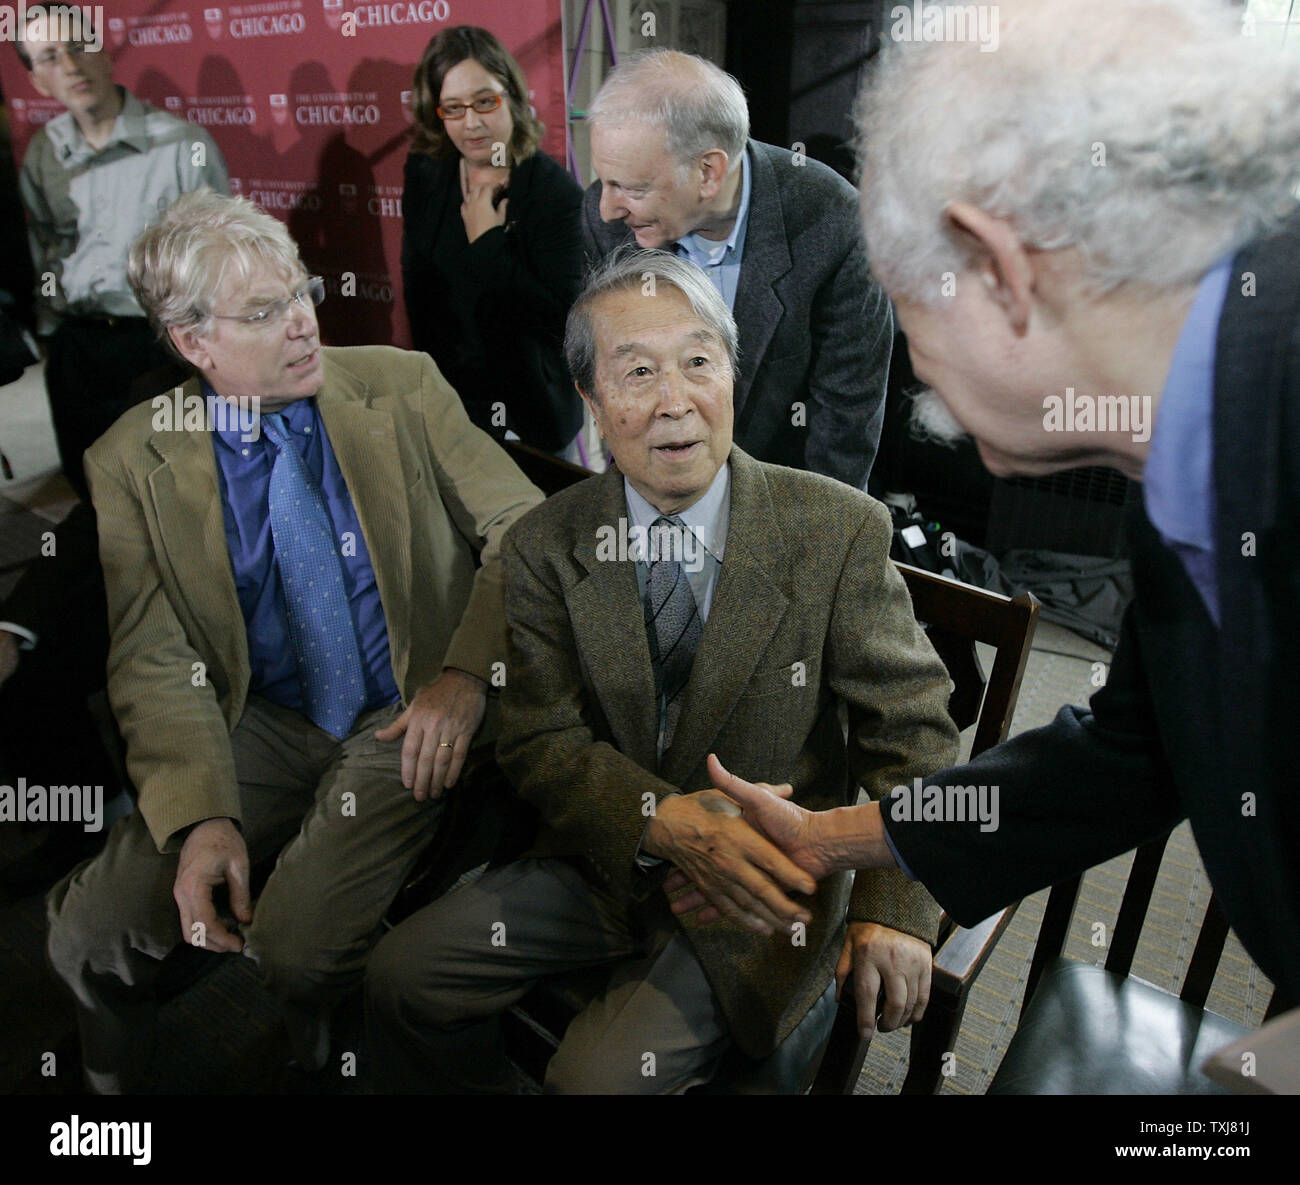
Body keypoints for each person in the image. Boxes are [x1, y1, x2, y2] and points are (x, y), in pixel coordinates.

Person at [668, 0, 1300, 1009]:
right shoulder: (1185, 429)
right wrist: (834, 838)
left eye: (904, 311)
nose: (913, 384)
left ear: (997, 269)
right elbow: (1131, 755)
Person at [363, 249, 959, 1093]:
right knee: (399, 978)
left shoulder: (835, 529)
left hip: (764, 890)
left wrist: (892, 908)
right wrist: (663, 821)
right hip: (607, 855)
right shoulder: (545, 543)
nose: (675, 402)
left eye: (697, 363)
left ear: (733, 373)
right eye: (637, 371)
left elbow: (918, 731)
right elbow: (539, 737)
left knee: (595, 1079)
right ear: (594, 401)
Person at [44, 191, 544, 1092]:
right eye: (266, 313)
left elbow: (526, 533)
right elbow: (154, 656)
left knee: (298, 947)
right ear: (192, 341)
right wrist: (201, 818)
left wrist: (469, 674)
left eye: (303, 294)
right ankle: (112, 1102)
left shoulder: (402, 383)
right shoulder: (131, 458)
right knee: (87, 932)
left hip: (406, 706)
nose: (306, 323)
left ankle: (320, 1055)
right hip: (261, 717)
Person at [580, 49, 892, 489]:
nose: (609, 208)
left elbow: (846, 421)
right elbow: (616, 379)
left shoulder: (833, 221)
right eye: (606, 182)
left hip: (783, 499)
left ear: (709, 171)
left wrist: (815, 543)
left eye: (631, 188)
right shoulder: (605, 219)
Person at [15, 3, 229, 499]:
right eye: (49, 57)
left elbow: (217, 257)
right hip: (77, 351)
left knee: (177, 496)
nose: (69, 66)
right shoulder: (45, 151)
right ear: (37, 82)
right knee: (94, 494)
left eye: (77, 47)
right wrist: (52, 333)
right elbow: (44, 242)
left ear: (104, 53)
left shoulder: (182, 145)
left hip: (157, 348)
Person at [403, 24, 584, 452]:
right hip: (447, 410)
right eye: (453, 108)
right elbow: (420, 295)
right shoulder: (427, 173)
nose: (472, 123)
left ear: (513, 97)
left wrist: (488, 246)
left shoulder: (553, 193)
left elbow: (565, 324)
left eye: (485, 102)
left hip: (529, 424)